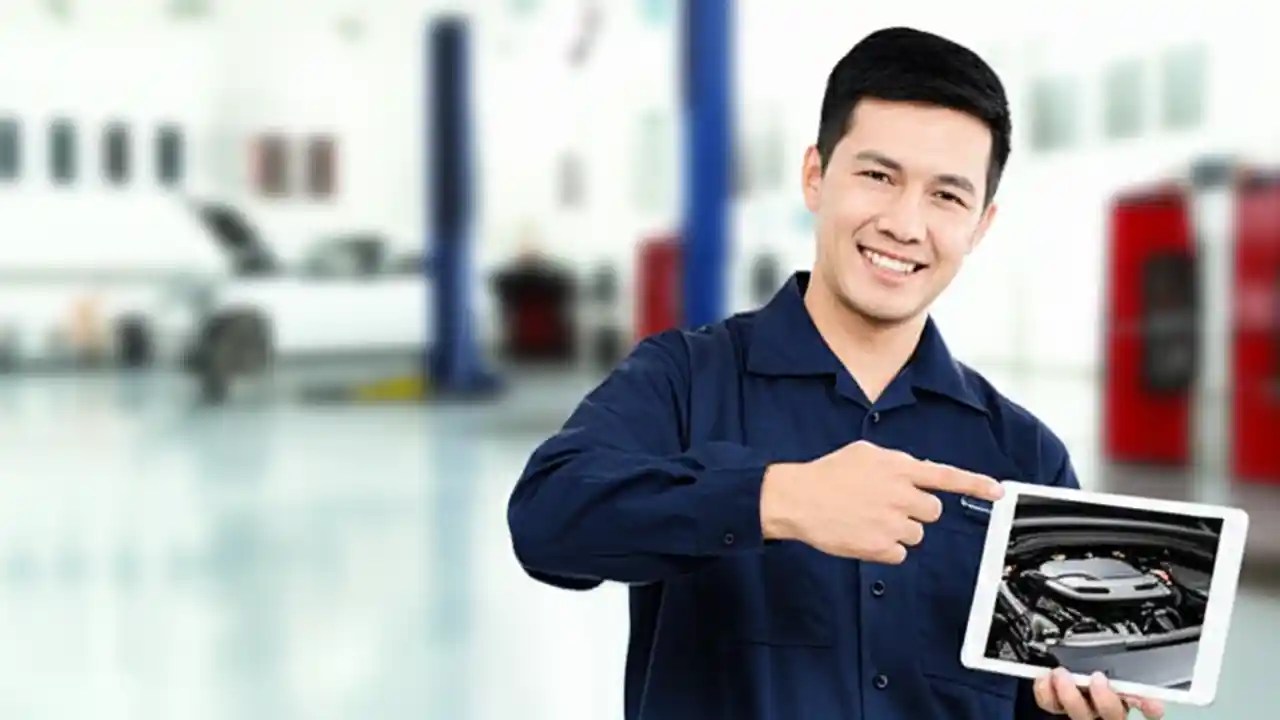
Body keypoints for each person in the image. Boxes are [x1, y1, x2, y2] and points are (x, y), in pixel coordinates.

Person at [506, 26, 1166, 720]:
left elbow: (1031, 699)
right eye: (879, 176)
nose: (906, 224)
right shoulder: (686, 379)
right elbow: (547, 520)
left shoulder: (1024, 456)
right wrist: (775, 499)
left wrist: (1083, 710)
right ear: (815, 175)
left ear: (980, 225)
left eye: (947, 196)